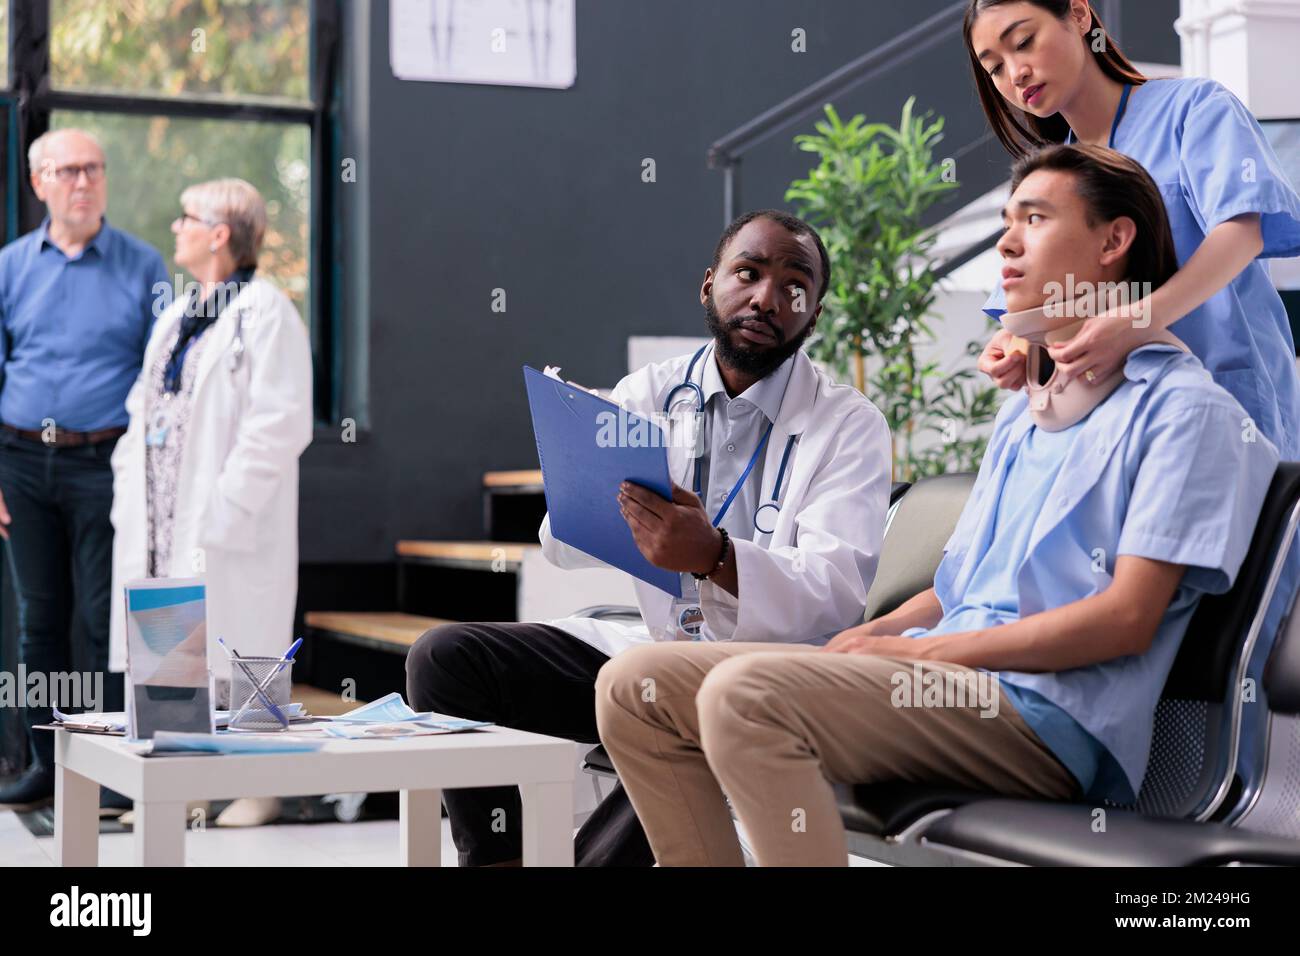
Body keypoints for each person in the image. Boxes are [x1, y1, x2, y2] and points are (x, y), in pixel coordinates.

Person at [594, 144, 1279, 866]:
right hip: (941, 680)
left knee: (746, 696)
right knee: (633, 687)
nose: (1007, 242)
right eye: (1007, 220)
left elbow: (1125, 621)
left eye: (1035, 219)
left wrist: (906, 652)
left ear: (1114, 241)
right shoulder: (1030, 409)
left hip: (1043, 716)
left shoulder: (1185, 412)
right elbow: (957, 591)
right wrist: (862, 641)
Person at [406, 209, 892, 866]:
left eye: (794, 285)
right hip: (654, 647)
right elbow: (564, 546)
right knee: (444, 660)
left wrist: (714, 557)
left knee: (658, 703)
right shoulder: (653, 392)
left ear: (815, 314)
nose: (767, 298)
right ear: (709, 284)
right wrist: (579, 474)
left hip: (764, 673)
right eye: (747, 273)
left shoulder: (848, 425)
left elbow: (836, 594)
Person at [109, 178, 312, 827]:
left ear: (220, 233)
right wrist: (126, 482)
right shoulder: (176, 316)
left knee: (246, 647)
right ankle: (181, 787)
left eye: (187, 218)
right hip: (162, 515)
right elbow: (142, 406)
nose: (176, 228)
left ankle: (259, 783)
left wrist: (226, 505)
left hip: (227, 518)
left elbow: (280, 423)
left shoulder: (269, 311)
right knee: (169, 643)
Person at [0, 129, 167, 812]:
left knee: (104, 621)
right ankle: (49, 763)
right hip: (19, 461)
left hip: (106, 461)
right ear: (39, 181)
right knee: (40, 620)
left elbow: (163, 377)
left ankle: (104, 770)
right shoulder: (10, 266)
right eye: (67, 170)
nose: (83, 181)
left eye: (93, 168)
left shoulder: (144, 263)